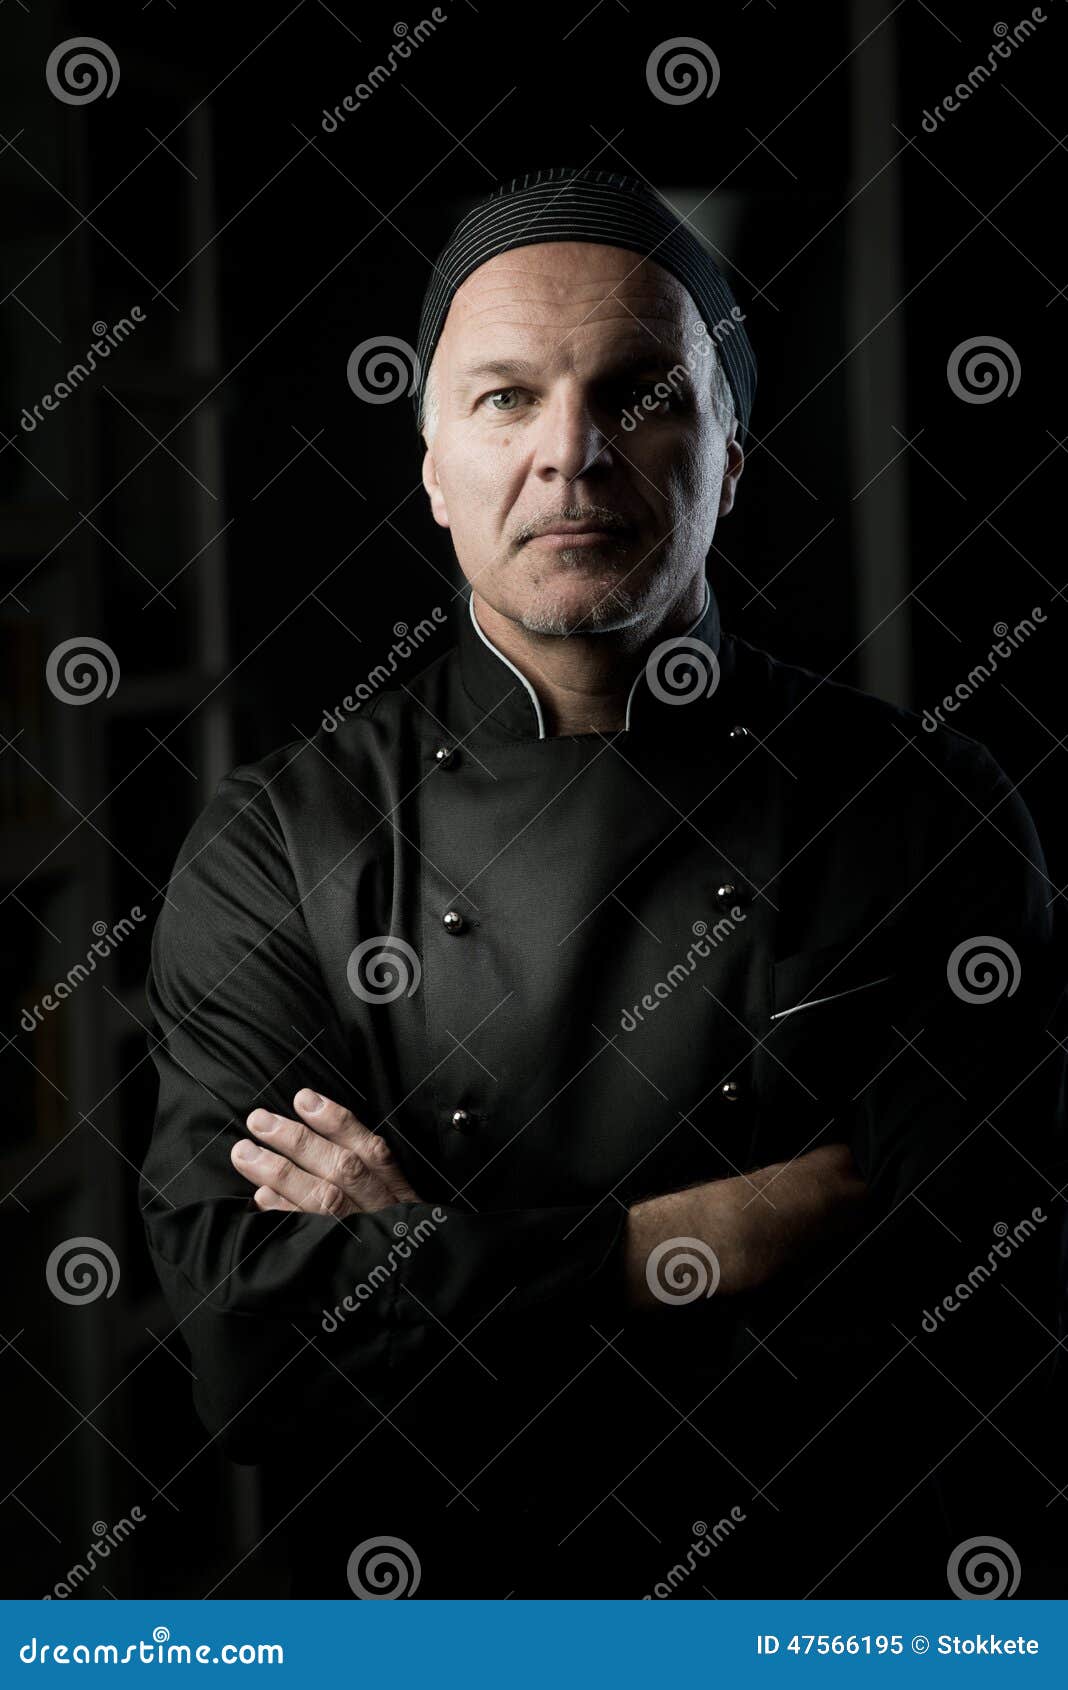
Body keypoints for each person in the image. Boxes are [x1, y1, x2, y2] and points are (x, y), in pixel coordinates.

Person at [140, 166, 1065, 1599]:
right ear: (433, 461)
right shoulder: (276, 843)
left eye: (638, 392)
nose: (572, 452)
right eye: (506, 397)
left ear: (731, 453)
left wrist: (428, 1269)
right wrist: (712, 1232)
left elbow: (969, 1326)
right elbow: (251, 1356)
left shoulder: (928, 813)